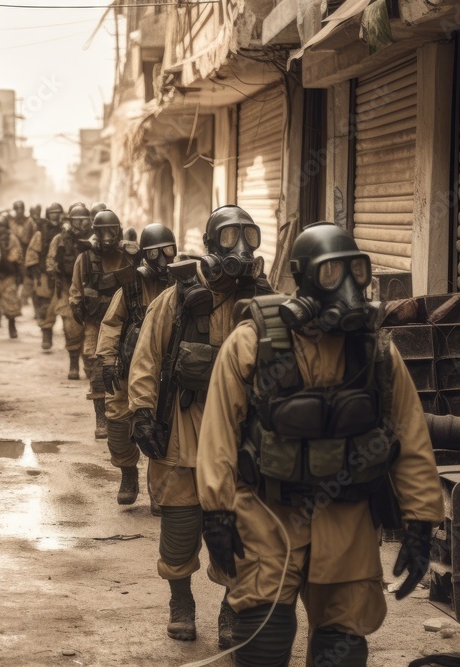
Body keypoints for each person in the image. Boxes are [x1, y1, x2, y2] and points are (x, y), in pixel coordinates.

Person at [195, 222, 443, 665]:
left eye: (357, 272)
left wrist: (421, 521)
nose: (348, 286)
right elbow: (219, 433)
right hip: (269, 514)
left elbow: (410, 437)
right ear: (304, 278)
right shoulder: (253, 342)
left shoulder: (377, 352)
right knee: (263, 640)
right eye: (331, 274)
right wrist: (216, 512)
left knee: (342, 642)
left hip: (348, 518)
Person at [126, 205, 273, 644]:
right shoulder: (174, 299)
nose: (241, 249)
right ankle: (182, 603)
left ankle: (231, 608)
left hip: (239, 438)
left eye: (248, 236)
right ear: (211, 247)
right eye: (229, 239)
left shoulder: (264, 299)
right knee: (180, 528)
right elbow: (147, 360)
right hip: (183, 434)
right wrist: (140, 413)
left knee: (239, 529)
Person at [96, 223, 177, 505]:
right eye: (155, 254)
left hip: (165, 373)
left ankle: (158, 490)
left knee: (162, 431)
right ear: (144, 256)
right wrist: (107, 360)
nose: (163, 260)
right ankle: (128, 474)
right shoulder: (131, 286)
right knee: (118, 427)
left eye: (168, 251)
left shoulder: (182, 285)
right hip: (127, 369)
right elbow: (111, 323)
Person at [70, 209, 139, 440]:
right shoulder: (86, 258)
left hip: (125, 321)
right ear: (95, 232)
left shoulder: (129, 255)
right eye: (102, 231)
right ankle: (102, 418)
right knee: (96, 364)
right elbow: (76, 288)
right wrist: (77, 306)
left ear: (118, 230)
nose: (107, 236)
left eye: (111, 230)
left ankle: (127, 414)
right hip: (95, 321)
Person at [45, 203, 94, 380]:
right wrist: (55, 269)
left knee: (91, 329)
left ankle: (89, 365)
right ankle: (74, 363)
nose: (80, 224)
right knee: (71, 328)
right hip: (67, 287)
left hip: (92, 288)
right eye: (76, 220)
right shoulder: (60, 239)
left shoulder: (95, 238)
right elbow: (50, 261)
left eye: (83, 220)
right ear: (70, 221)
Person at [25, 202, 65, 350]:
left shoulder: (66, 230)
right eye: (52, 212)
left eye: (57, 212)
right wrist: (35, 271)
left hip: (64, 274)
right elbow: (32, 251)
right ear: (48, 214)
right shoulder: (41, 231)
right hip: (44, 274)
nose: (55, 214)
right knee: (45, 306)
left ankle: (70, 337)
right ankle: (46, 334)